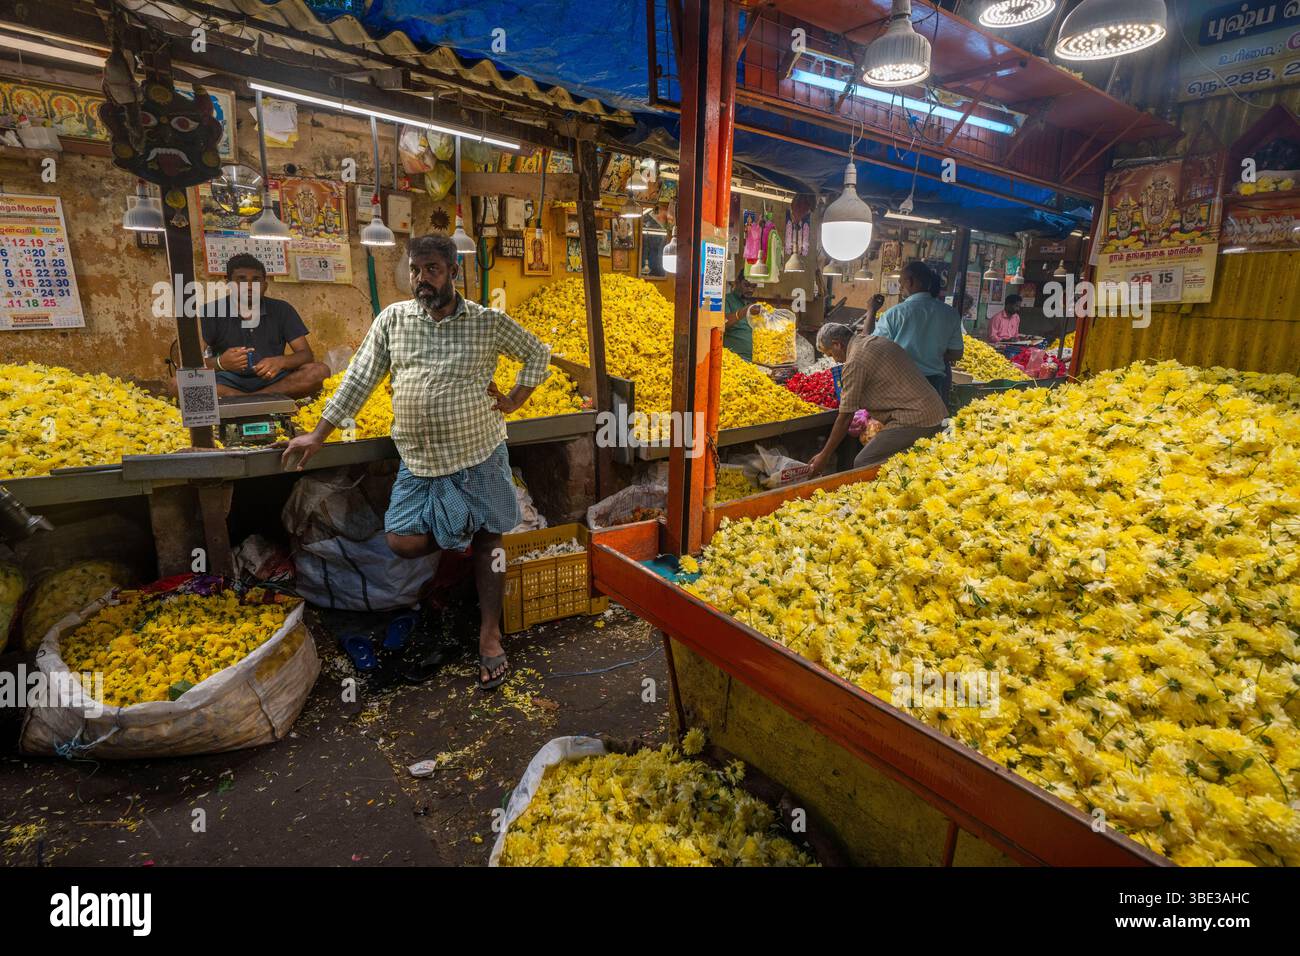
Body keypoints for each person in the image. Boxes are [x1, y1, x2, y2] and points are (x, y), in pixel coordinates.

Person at [281, 235, 552, 691]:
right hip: (420, 459)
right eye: (414, 270)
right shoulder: (394, 320)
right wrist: (319, 434)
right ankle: (463, 532)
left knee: (491, 543)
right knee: (402, 540)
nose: (421, 280)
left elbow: (537, 353)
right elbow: (361, 378)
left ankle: (489, 635)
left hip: (478, 453)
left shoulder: (486, 322)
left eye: (431, 269)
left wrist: (514, 400)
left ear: (452, 272)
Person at [809, 331, 948, 475]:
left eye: (831, 354)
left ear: (837, 344)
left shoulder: (854, 362)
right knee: (908, 459)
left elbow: (845, 417)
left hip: (914, 417)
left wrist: (824, 455)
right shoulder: (876, 341)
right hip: (934, 409)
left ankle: (879, 495)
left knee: (864, 462)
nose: (836, 361)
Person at [199, 254, 330, 397]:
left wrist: (281, 361)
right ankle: (260, 401)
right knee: (178, 384)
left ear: (265, 285)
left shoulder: (282, 309)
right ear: (228, 283)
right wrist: (220, 363)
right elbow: (190, 365)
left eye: (256, 280)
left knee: (319, 372)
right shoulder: (210, 312)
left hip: (274, 381)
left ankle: (250, 400)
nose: (249, 286)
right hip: (227, 382)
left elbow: (306, 355)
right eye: (241, 279)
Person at [871, 260, 963, 402]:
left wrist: (871, 311)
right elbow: (956, 353)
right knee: (931, 421)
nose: (900, 287)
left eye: (901, 282)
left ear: (910, 281)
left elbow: (874, 349)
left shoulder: (894, 313)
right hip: (934, 384)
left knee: (903, 422)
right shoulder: (950, 313)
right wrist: (932, 353)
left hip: (901, 383)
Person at [722, 276, 758, 362]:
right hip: (735, 360)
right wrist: (743, 312)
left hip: (754, 359)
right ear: (737, 282)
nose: (750, 290)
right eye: (746, 285)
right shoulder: (726, 300)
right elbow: (722, 323)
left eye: (754, 286)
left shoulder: (751, 304)